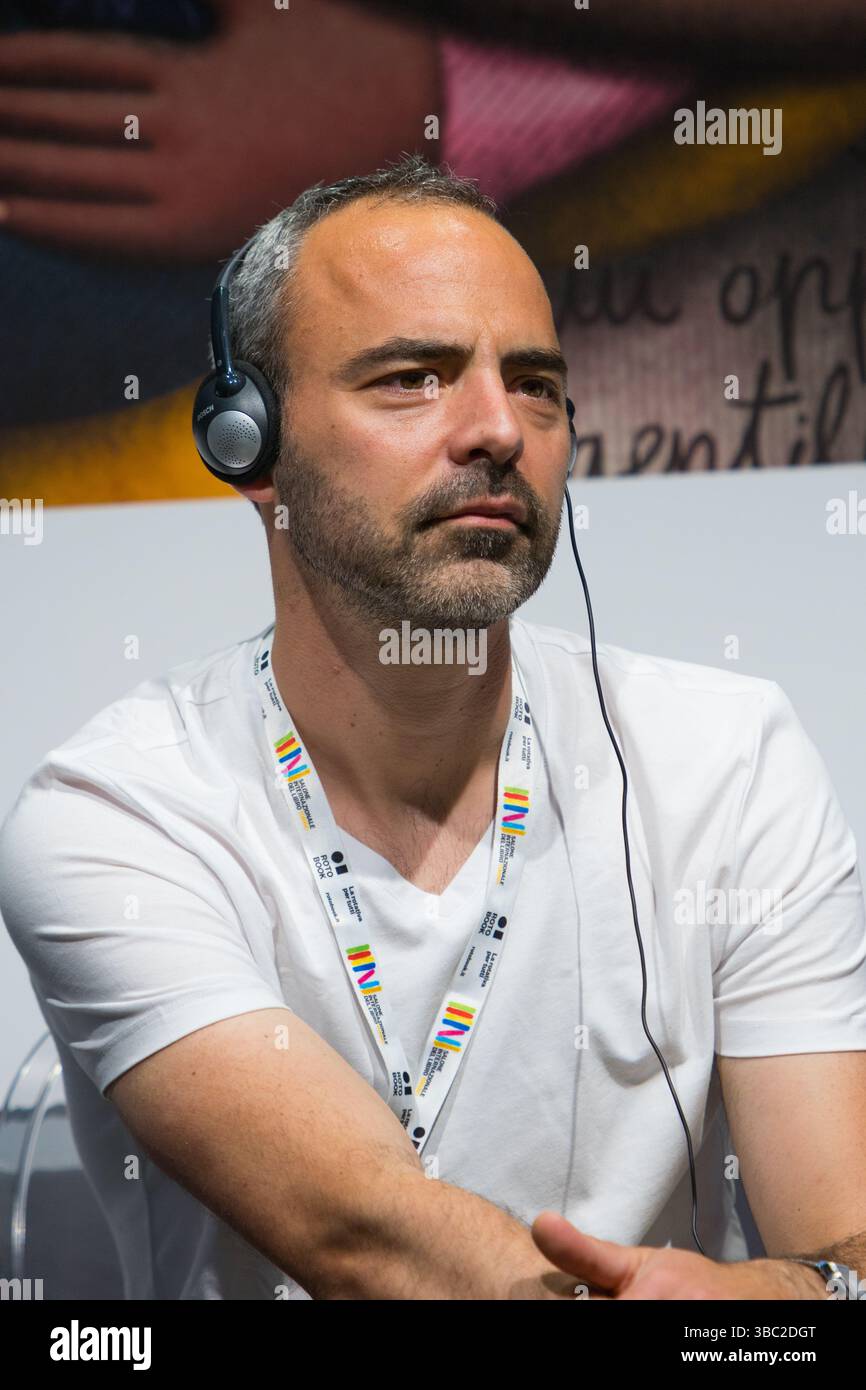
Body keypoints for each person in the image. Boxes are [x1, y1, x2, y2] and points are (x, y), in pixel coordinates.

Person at [2, 154, 865, 1302]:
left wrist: (779, 1304)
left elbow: (845, 1252)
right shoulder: (115, 811)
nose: (498, 428)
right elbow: (370, 1242)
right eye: (412, 378)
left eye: (536, 382)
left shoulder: (728, 758)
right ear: (247, 448)